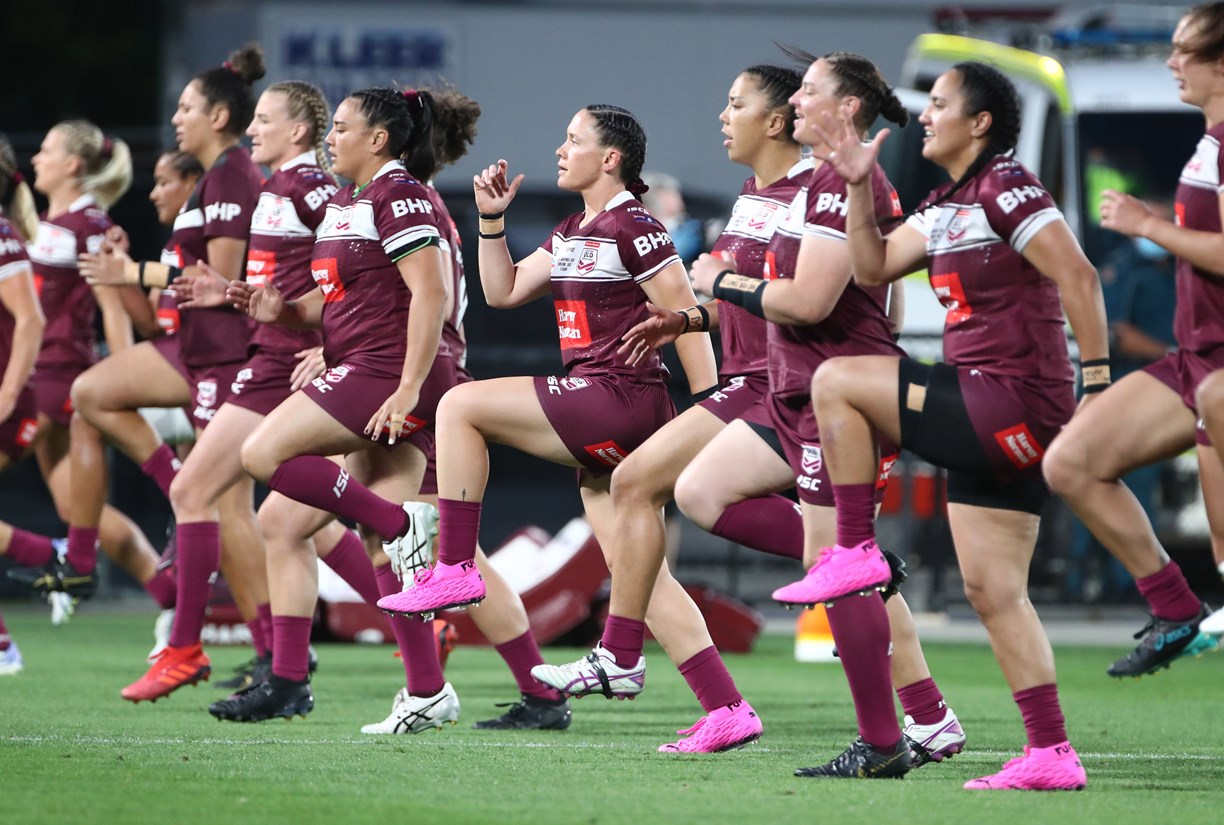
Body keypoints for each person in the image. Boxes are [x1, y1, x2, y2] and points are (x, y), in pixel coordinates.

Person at [540, 57, 963, 765]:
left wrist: (723, 287)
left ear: (778, 121)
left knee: (649, 487)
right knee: (695, 495)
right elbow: (765, 294)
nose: (723, 115)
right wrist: (691, 319)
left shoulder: (826, 186)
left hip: (799, 385)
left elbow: (842, 293)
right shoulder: (758, 195)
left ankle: (632, 656)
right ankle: (913, 706)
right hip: (770, 381)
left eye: (737, 103)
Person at [785, 60, 1106, 789]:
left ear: (980, 122)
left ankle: (857, 548)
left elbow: (1079, 275)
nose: (923, 115)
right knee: (994, 590)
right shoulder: (946, 203)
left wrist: (1100, 384)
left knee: (835, 380)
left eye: (939, 103)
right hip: (984, 402)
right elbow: (872, 268)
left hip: (1014, 397)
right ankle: (1051, 753)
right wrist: (862, 183)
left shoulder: (1005, 182)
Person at [373, 106, 723, 725]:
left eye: (573, 140)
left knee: (460, 405)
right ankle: (725, 707)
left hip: (622, 398)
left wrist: (710, 409)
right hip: (602, 404)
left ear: (610, 158)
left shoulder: (636, 227)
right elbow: (503, 291)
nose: (560, 150)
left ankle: (453, 567)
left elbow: (686, 317)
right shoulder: (571, 230)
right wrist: (490, 221)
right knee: (639, 573)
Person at [228, 86, 458, 730]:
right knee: (377, 547)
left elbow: (430, 293)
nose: (332, 136)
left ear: (380, 139)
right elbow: (333, 305)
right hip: (369, 366)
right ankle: (427, 691)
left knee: (262, 453)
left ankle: (399, 520)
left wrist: (409, 386)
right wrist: (286, 311)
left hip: (387, 372)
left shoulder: (399, 193)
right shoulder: (349, 203)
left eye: (344, 127)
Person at [69, 44, 268, 701]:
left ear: (217, 114)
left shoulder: (234, 174)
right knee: (95, 391)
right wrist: (136, 276)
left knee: (267, 511)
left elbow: (222, 280)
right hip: (200, 352)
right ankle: (267, 653)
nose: (175, 116)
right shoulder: (216, 178)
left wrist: (133, 273)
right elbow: (190, 291)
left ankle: (265, 651)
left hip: (233, 355)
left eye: (185, 107)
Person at [1043, 3, 1224, 673]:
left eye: (1185, 51)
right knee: (1070, 463)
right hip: (1195, 362)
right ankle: (1175, 607)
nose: (1171, 62)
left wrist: (1149, 225)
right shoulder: (1208, 142)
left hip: (1219, 370)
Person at [1066, 204, 1176, 604]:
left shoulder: (1184, 271)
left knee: (1137, 488)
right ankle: (1081, 580)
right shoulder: (1118, 265)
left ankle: (1132, 584)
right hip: (1107, 385)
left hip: (1151, 392)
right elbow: (1108, 328)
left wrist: (1156, 349)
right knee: (1082, 478)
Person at [0, 135, 46, 675]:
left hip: (8, 396)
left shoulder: (2, 236)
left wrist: (7, 397)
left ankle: (53, 555)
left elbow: (31, 320)